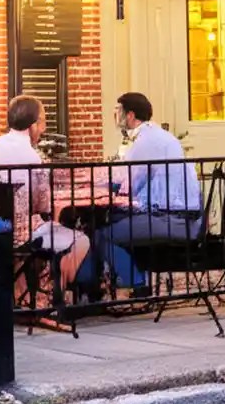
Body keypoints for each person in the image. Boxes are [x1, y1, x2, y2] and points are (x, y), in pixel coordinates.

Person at [75, 92, 203, 296]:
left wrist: (104, 186)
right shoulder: (152, 136)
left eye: (119, 112)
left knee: (101, 233)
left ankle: (136, 285)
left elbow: (129, 185)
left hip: (173, 217)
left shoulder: (146, 141)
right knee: (108, 222)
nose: (117, 117)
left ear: (131, 115)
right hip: (175, 213)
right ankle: (107, 285)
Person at [0, 95, 90, 297]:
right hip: (24, 233)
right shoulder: (31, 156)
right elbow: (42, 205)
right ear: (33, 125)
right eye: (43, 121)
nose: (44, 128)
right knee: (80, 240)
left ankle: (23, 295)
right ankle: (53, 297)